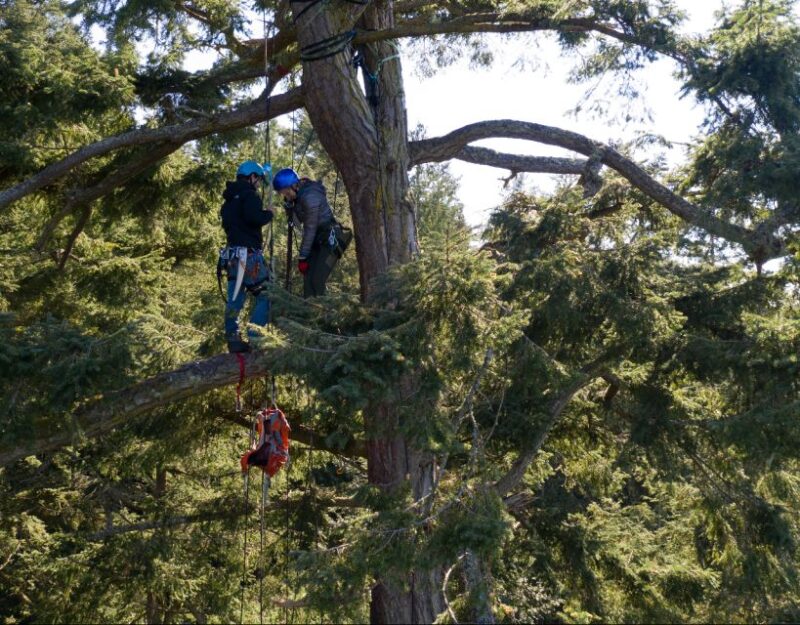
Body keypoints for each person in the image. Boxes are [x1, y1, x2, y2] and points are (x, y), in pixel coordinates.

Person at [219, 160, 273, 353]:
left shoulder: (229, 200)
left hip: (232, 256)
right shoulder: (250, 196)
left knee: (235, 298)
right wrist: (268, 214)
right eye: (257, 180)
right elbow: (254, 218)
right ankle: (255, 337)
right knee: (268, 295)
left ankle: (233, 337)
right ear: (251, 177)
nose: (258, 184)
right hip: (248, 256)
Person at [272, 168, 351, 297]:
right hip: (318, 240)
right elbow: (297, 224)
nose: (286, 196)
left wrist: (303, 257)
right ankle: (311, 314)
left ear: (294, 185)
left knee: (317, 281)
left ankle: (324, 314)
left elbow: (310, 228)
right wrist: (289, 208)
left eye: (286, 192)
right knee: (308, 282)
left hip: (331, 238)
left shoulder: (310, 196)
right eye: (283, 194)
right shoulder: (299, 197)